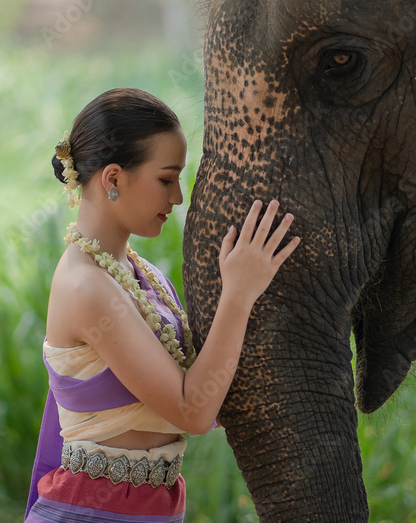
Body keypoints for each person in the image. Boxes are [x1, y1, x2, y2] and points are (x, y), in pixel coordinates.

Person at [25, 87, 300, 522]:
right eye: (166, 179)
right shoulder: (87, 287)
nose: (176, 198)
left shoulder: (141, 273)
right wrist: (239, 292)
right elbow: (193, 409)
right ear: (113, 179)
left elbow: (200, 382)